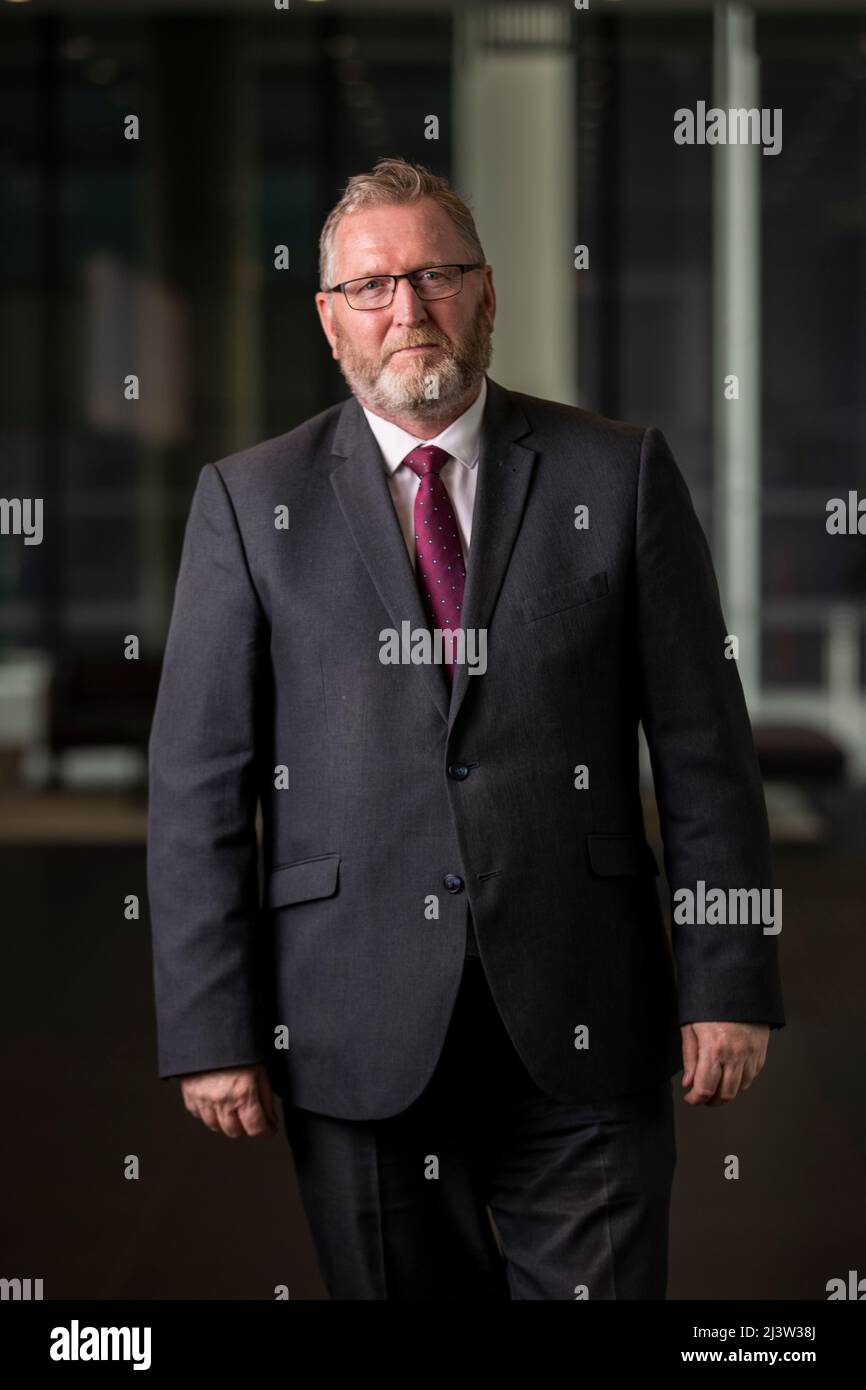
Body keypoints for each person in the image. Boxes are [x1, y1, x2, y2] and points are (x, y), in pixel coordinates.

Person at [147, 157, 785, 1300]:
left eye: (435, 274)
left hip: (589, 1016)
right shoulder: (249, 503)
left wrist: (726, 975)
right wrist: (209, 1026)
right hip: (349, 1027)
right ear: (328, 317)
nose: (408, 309)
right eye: (373, 286)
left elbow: (703, 751)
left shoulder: (617, 472)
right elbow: (199, 784)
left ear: (486, 293)